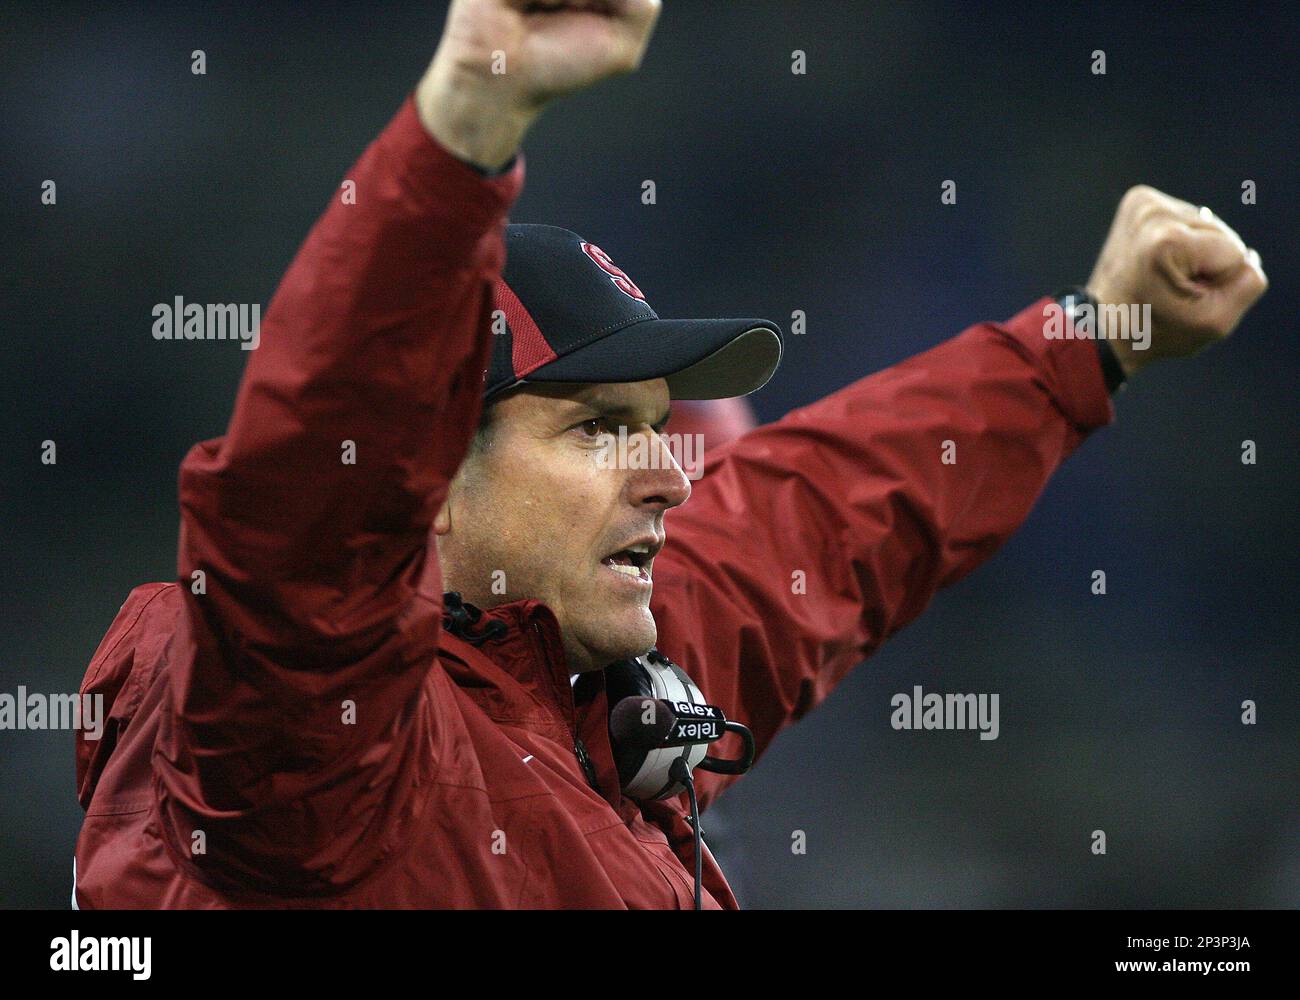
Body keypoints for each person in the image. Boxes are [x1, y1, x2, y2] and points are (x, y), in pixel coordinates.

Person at [73, 0, 1267, 908]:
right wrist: (469, 118)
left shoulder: (590, 683)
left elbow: (818, 520)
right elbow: (302, 511)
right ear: (422, 488)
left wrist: (1087, 339)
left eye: (655, 428)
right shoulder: (329, 744)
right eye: (597, 430)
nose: (667, 474)